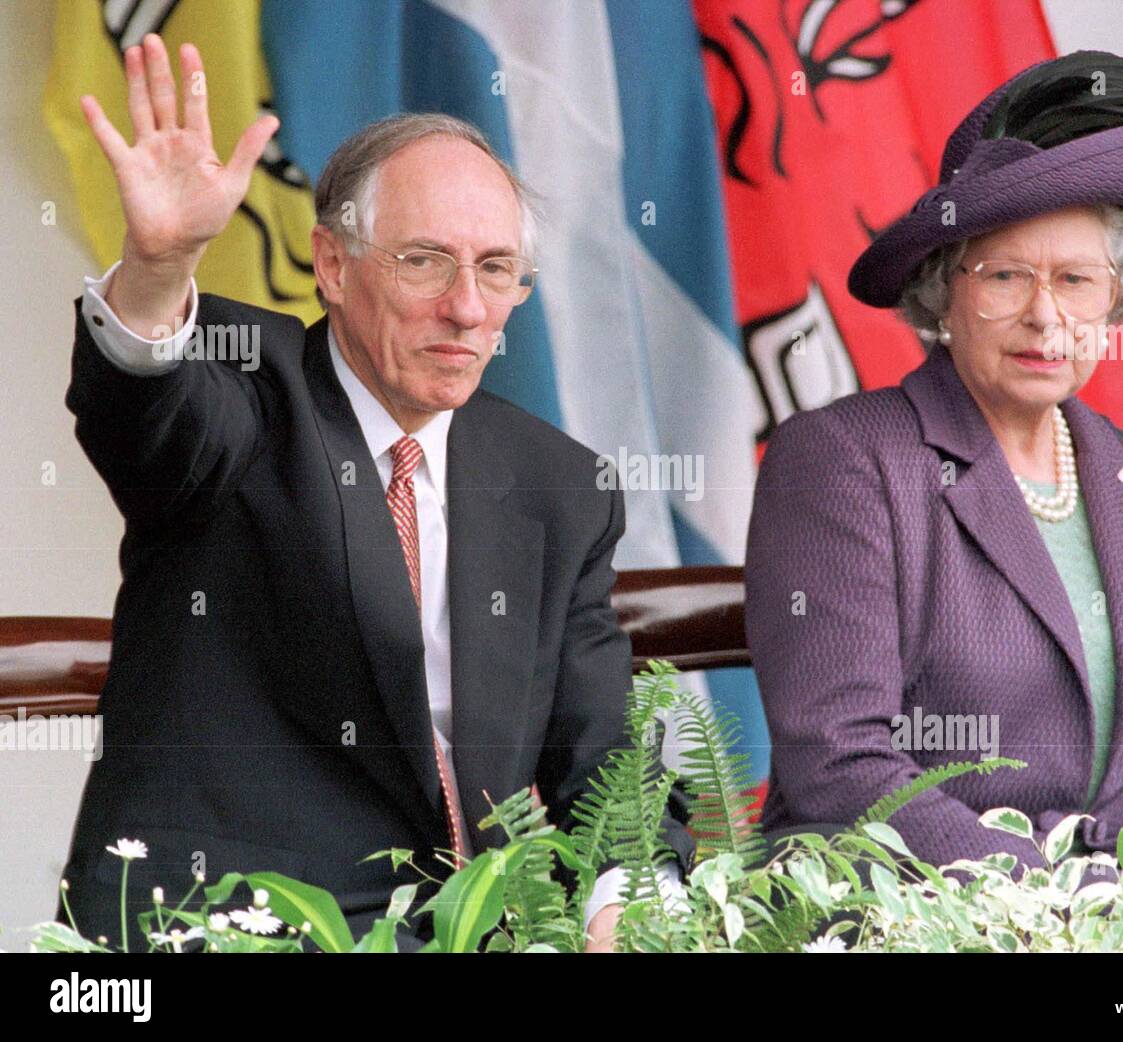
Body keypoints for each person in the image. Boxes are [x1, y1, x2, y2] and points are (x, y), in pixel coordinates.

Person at [57, 33, 688, 952]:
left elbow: (605, 760)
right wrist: (158, 269)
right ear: (333, 264)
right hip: (226, 924)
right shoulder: (243, 388)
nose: (468, 308)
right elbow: (144, 410)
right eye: (425, 261)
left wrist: (627, 896)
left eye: (497, 269)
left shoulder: (558, 485)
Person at [745, 51, 1123, 877]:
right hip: (917, 910)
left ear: (1114, 301)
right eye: (1007, 277)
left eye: (1076, 280)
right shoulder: (846, 462)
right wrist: (1053, 902)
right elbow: (837, 765)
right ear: (944, 291)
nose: (1045, 315)